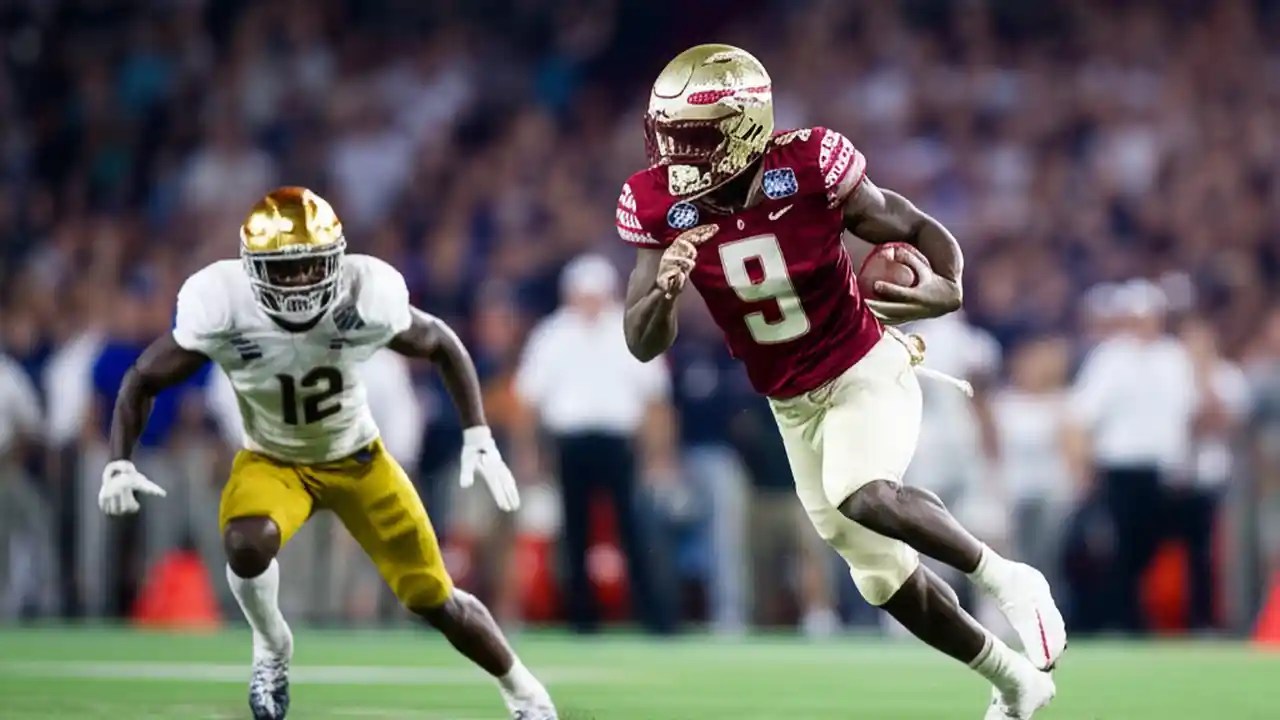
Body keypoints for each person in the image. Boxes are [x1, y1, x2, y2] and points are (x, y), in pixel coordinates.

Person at [617, 44, 1062, 718]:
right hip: (790, 405)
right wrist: (665, 295)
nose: (673, 156)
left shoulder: (808, 167)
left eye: (692, 139)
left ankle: (1007, 577)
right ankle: (1015, 682)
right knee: (880, 577)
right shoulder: (658, 205)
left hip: (863, 369)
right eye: (669, 136)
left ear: (741, 131)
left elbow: (911, 224)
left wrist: (948, 286)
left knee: (861, 493)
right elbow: (641, 342)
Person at [95, 188, 556, 720]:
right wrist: (119, 459)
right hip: (274, 460)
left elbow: (442, 343)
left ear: (335, 260)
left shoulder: (364, 294)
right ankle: (271, 646)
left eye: (311, 266)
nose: (298, 284)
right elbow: (144, 377)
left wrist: (479, 434)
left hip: (358, 458)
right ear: (251, 269)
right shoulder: (223, 303)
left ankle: (525, 692)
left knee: (435, 598)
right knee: (246, 544)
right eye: (283, 270)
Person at [513, 254, 679, 634]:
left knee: (633, 530)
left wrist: (659, 455)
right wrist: (527, 452)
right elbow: (528, 400)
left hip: (618, 444)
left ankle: (654, 617)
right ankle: (581, 618)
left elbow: (655, 400)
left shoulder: (629, 329)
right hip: (570, 444)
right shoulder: (552, 335)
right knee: (574, 532)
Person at [1064, 279, 1197, 634]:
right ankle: (1121, 621)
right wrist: (1082, 470)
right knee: (1119, 551)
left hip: (1163, 473)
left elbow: (1187, 416)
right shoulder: (1111, 357)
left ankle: (1147, 618)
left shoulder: (1174, 357)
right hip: (1120, 469)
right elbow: (1080, 416)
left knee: (1152, 552)